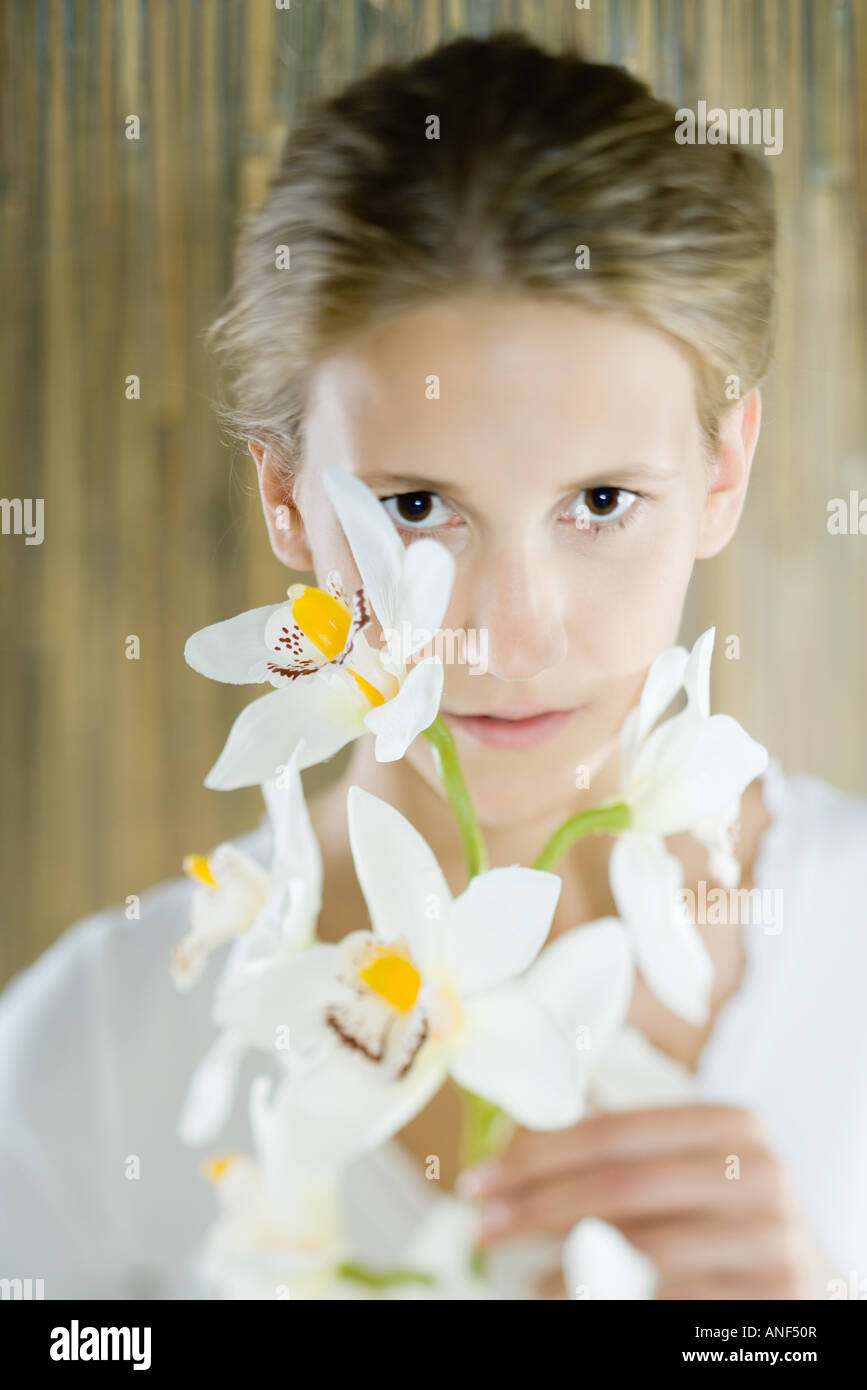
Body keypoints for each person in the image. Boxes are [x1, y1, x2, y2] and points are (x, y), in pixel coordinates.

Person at [2, 32, 866, 1301]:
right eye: (416, 509)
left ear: (723, 471)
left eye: (603, 499)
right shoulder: (100, 1049)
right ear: (288, 495)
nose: (511, 639)